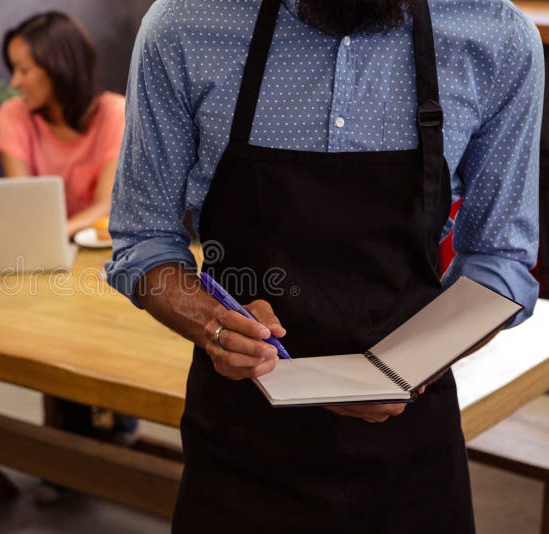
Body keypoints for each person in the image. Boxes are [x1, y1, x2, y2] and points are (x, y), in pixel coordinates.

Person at [106, 0, 542, 532]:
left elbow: (501, 258)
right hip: (241, 446)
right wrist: (214, 323)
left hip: (410, 450)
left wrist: (412, 365)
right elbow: (143, 239)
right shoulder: (183, 28)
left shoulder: (497, 38)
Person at [0, 11, 137, 504]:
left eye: (25, 69)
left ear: (58, 65)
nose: (15, 82)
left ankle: (107, 435)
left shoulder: (114, 112)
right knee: (52, 335)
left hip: (103, 256)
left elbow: (106, 205)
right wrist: (46, 233)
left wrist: (53, 228)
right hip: (45, 261)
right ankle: (69, 455)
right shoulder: (15, 116)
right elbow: (21, 201)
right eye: (13, 68)